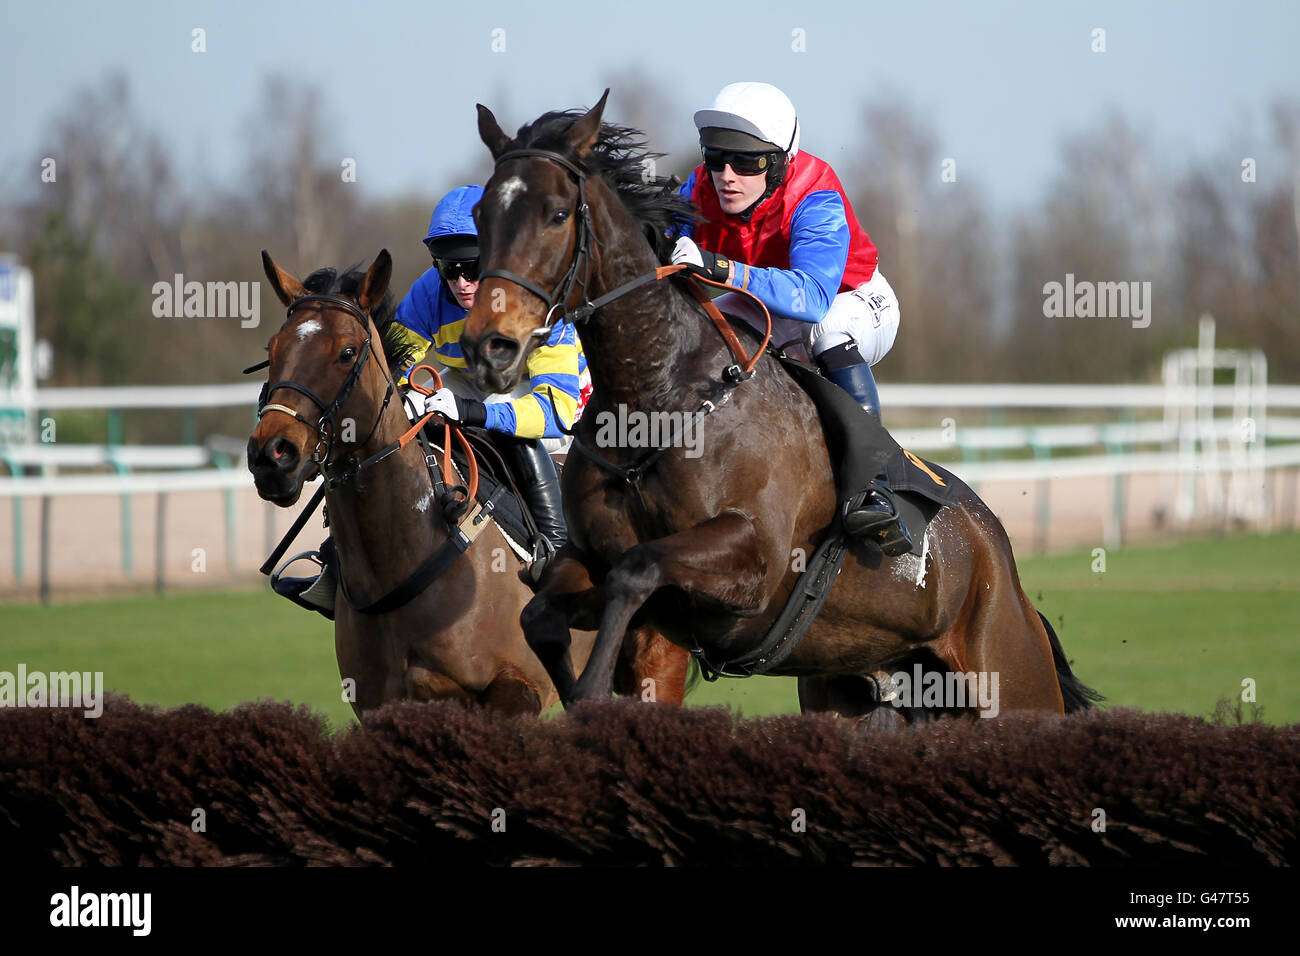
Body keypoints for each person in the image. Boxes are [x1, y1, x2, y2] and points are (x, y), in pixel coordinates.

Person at [279, 185, 587, 615]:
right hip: (473, 381)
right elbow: (394, 367)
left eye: (472, 266)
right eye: (447, 267)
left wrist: (470, 412)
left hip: (556, 397)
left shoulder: (541, 298)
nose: (460, 282)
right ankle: (339, 560)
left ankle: (557, 555)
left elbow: (556, 411)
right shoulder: (429, 293)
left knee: (514, 431)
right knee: (392, 418)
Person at [670, 81, 911, 555]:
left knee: (826, 332)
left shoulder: (816, 196)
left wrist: (717, 267)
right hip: (768, 300)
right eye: (716, 158)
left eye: (746, 162)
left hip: (852, 299)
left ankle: (873, 486)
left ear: (779, 164)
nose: (727, 176)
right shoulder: (697, 187)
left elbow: (812, 298)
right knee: (704, 334)